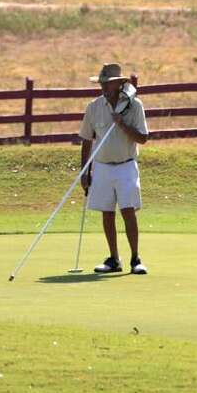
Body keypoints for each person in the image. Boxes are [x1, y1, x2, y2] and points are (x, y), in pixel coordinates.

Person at [79, 62, 151, 275]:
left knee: (128, 210)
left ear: (119, 84)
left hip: (126, 166)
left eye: (107, 83)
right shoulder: (94, 107)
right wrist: (85, 172)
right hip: (102, 166)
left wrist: (122, 124)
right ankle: (114, 259)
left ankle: (135, 259)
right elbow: (87, 140)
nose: (103, 86)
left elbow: (143, 138)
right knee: (107, 212)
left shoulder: (134, 106)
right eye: (101, 83)